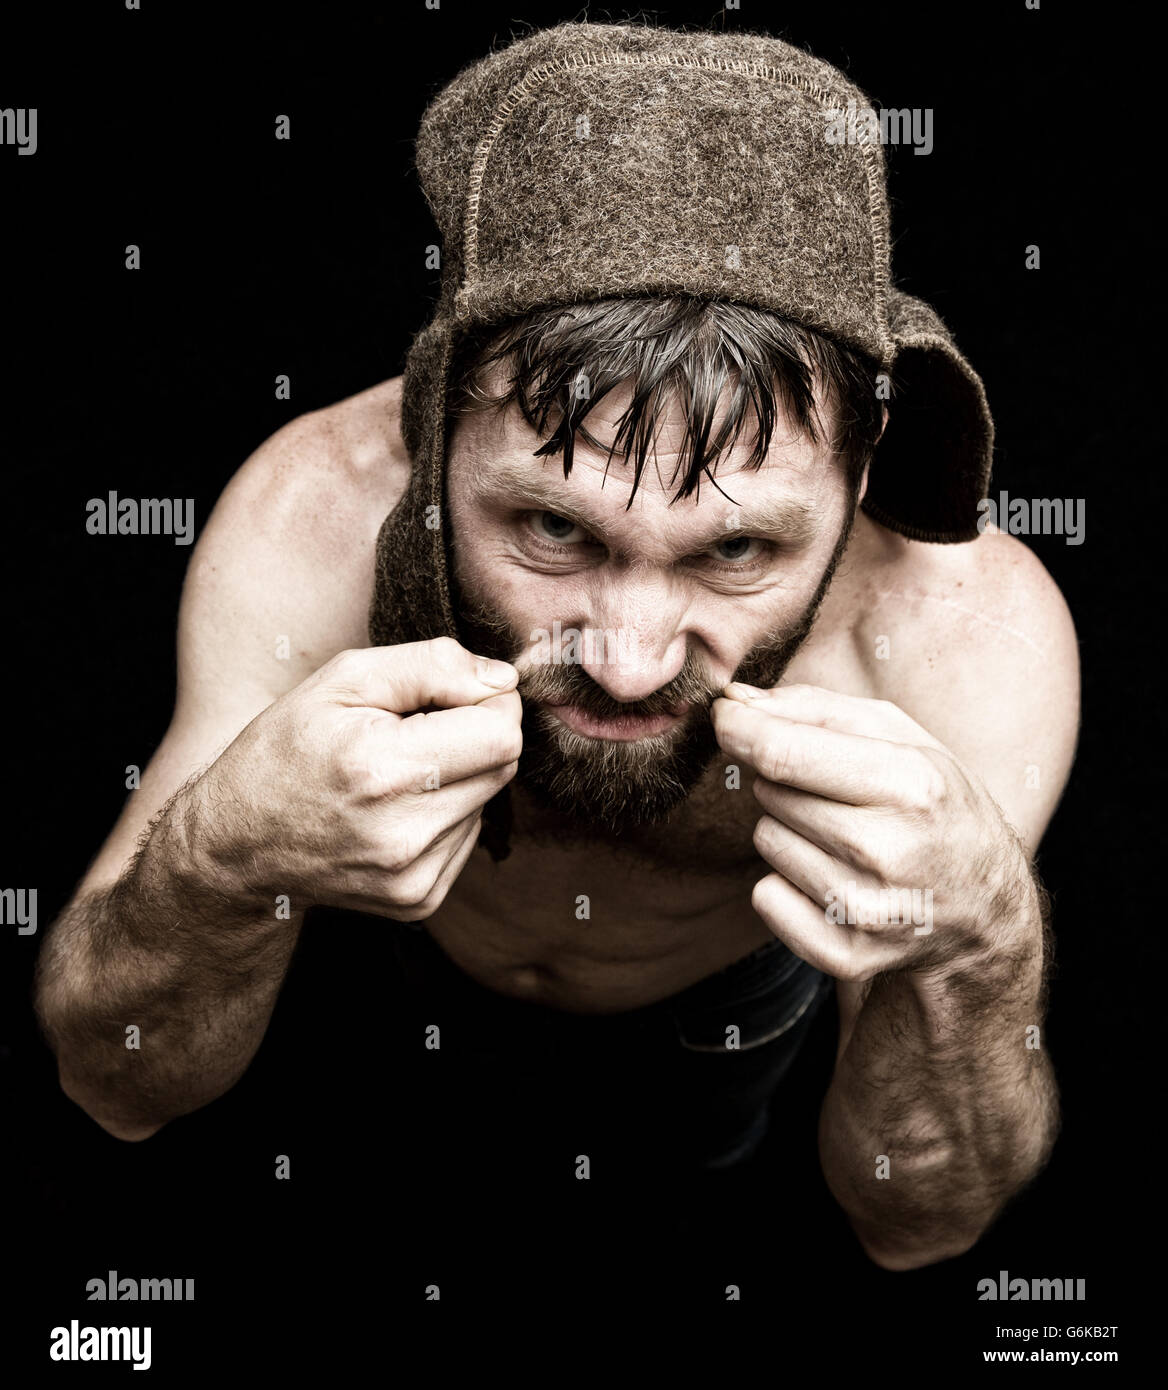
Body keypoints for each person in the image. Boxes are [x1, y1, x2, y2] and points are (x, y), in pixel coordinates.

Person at [34, 22, 1078, 1271]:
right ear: (432, 435)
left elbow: (917, 1227)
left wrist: (982, 947)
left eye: (735, 550)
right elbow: (116, 1088)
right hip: (380, 968)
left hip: (718, 1029)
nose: (629, 663)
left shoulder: (962, 639)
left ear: (860, 477)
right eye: (551, 529)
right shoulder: (313, 521)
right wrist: (222, 858)